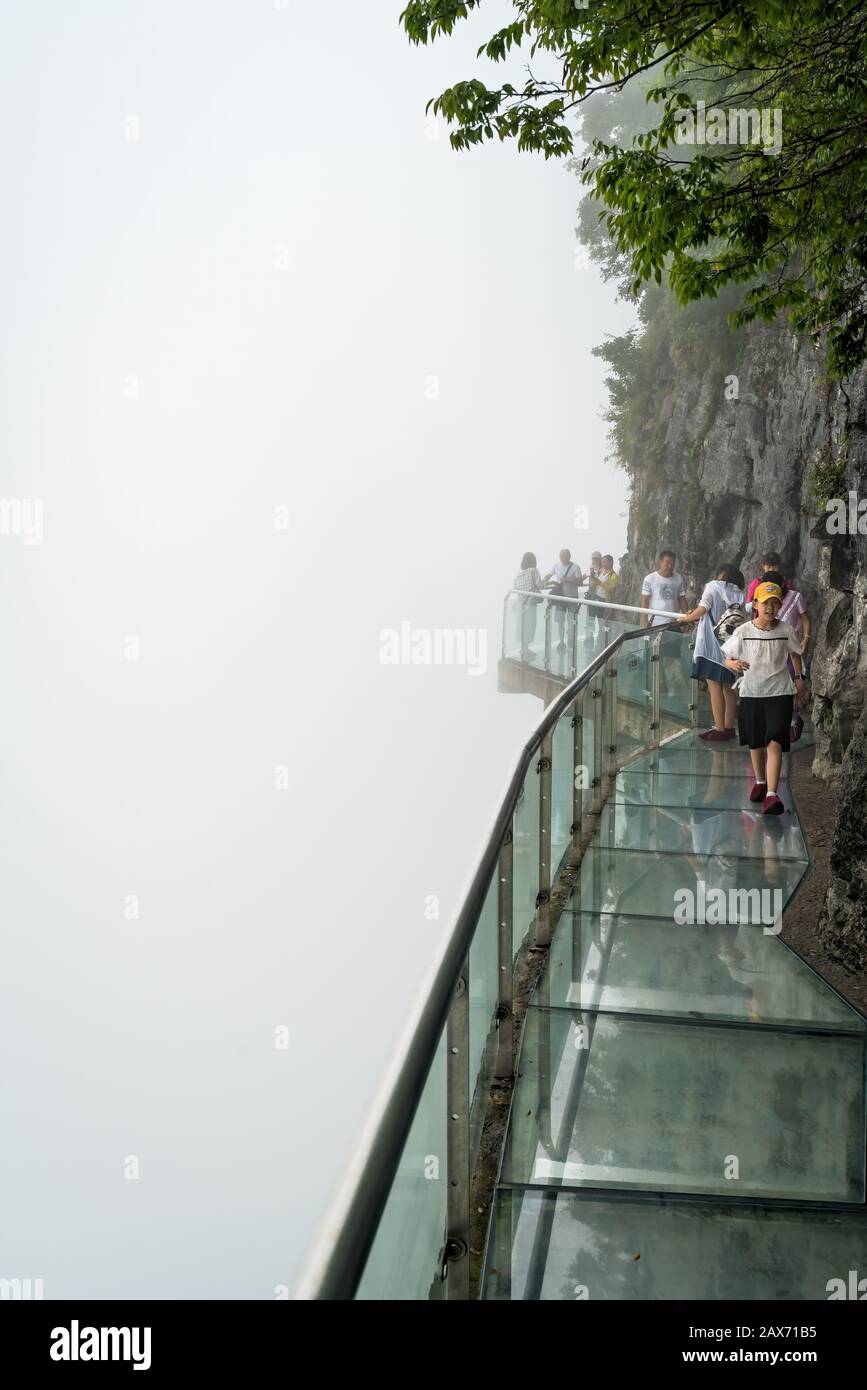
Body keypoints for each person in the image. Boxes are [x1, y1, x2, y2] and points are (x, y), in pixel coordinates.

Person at [721, 581, 809, 815]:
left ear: (780, 606)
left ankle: (772, 794)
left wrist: (799, 679)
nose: (771, 608)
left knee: (775, 740)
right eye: (766, 603)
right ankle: (760, 782)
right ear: (756, 605)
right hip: (751, 692)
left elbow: (794, 654)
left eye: (775, 603)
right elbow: (726, 658)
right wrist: (734, 663)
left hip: (780, 692)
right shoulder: (744, 631)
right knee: (756, 742)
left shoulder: (785, 630)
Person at [681, 565, 745, 741]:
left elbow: (703, 608)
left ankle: (719, 728)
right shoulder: (738, 593)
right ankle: (729, 727)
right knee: (728, 688)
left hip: (710, 646)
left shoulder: (713, 586)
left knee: (714, 687)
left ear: (721, 575)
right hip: (730, 646)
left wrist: (686, 618)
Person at [760, 569, 812, 742]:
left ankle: (792, 720)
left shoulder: (795, 597)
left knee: (790, 684)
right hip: (770, 650)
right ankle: (776, 723)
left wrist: (805, 639)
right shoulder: (764, 602)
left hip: (791, 647)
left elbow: (805, 619)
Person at [542, 548, 583, 650]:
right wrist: (548, 582)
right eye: (561, 556)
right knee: (560, 620)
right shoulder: (556, 565)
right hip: (560, 597)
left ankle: (570, 641)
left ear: (569, 556)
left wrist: (568, 579)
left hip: (572, 597)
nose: (563, 558)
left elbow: (580, 582)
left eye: (565, 556)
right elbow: (547, 576)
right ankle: (561, 641)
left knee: (571, 621)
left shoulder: (575, 567)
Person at [640, 550, 688, 627]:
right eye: (667, 563)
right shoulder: (650, 578)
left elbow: (682, 598)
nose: (670, 566)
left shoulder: (678, 578)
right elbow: (645, 599)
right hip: (655, 622)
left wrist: (686, 617)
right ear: (660, 562)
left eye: (672, 563)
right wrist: (643, 619)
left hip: (674, 621)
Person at [513, 551, 543, 661]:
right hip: (530, 603)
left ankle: (524, 648)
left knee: (522, 626)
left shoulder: (519, 574)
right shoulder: (534, 571)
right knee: (530, 626)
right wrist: (547, 583)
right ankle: (526, 649)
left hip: (520, 604)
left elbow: (516, 587)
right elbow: (539, 584)